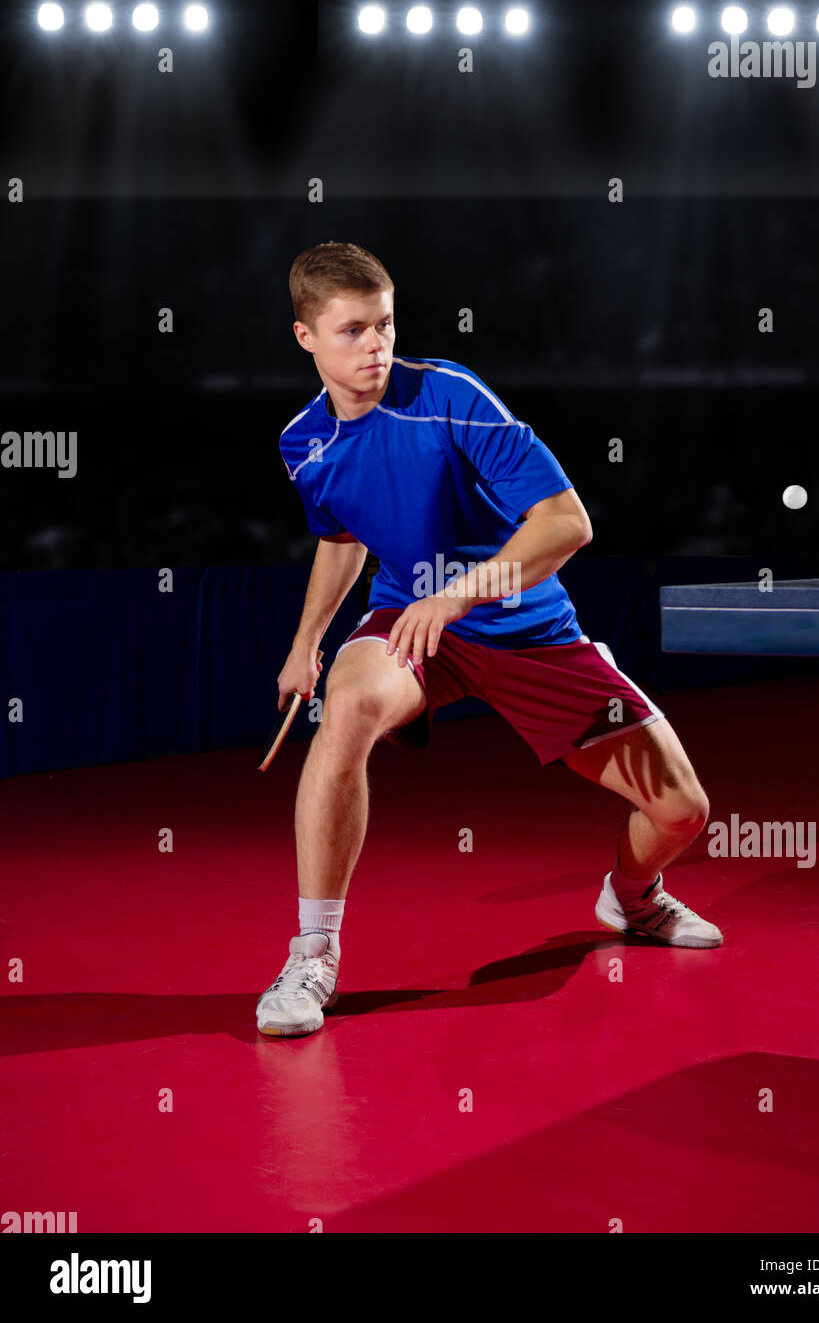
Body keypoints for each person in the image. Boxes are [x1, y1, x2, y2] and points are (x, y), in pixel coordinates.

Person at [256, 241, 721, 1038]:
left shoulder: (450, 396)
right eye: (353, 330)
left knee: (683, 812)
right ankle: (313, 953)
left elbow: (566, 524)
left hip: (530, 631)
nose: (375, 346)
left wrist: (458, 592)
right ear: (306, 338)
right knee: (348, 706)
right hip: (411, 623)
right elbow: (341, 538)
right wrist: (307, 642)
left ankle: (631, 896)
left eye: (386, 325)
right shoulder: (304, 444)